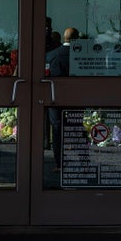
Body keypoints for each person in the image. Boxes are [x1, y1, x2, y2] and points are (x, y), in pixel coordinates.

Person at [44, 27, 80, 171]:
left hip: (56, 97)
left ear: (65, 38)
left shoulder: (52, 55)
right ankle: (83, 161)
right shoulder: (81, 55)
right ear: (77, 38)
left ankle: (60, 163)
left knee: (57, 129)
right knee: (77, 127)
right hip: (77, 97)